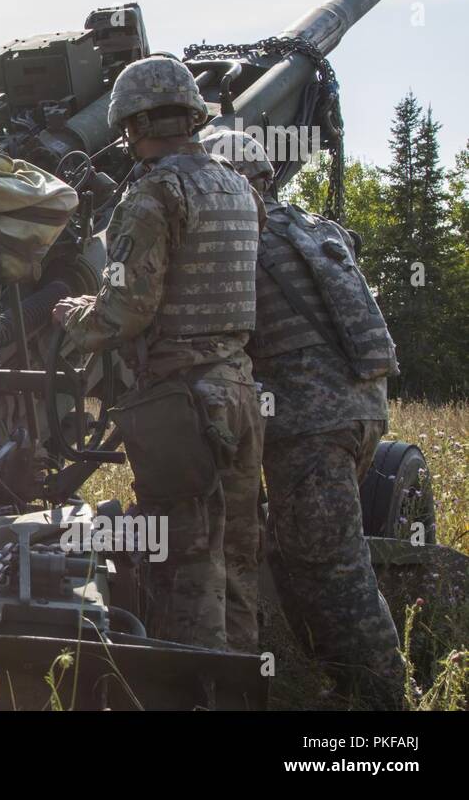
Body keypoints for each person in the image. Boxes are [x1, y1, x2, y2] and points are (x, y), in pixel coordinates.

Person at [52, 56, 264, 653]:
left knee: (185, 560)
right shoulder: (239, 188)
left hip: (182, 404)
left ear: (132, 124)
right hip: (242, 391)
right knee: (239, 557)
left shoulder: (151, 195)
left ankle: (194, 688)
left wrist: (76, 317)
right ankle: (243, 687)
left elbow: (126, 311)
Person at [202, 128, 404, 707]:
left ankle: (384, 710)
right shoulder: (311, 228)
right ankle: (333, 685)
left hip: (310, 426)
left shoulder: (249, 239)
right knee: (300, 552)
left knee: (331, 567)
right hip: (356, 414)